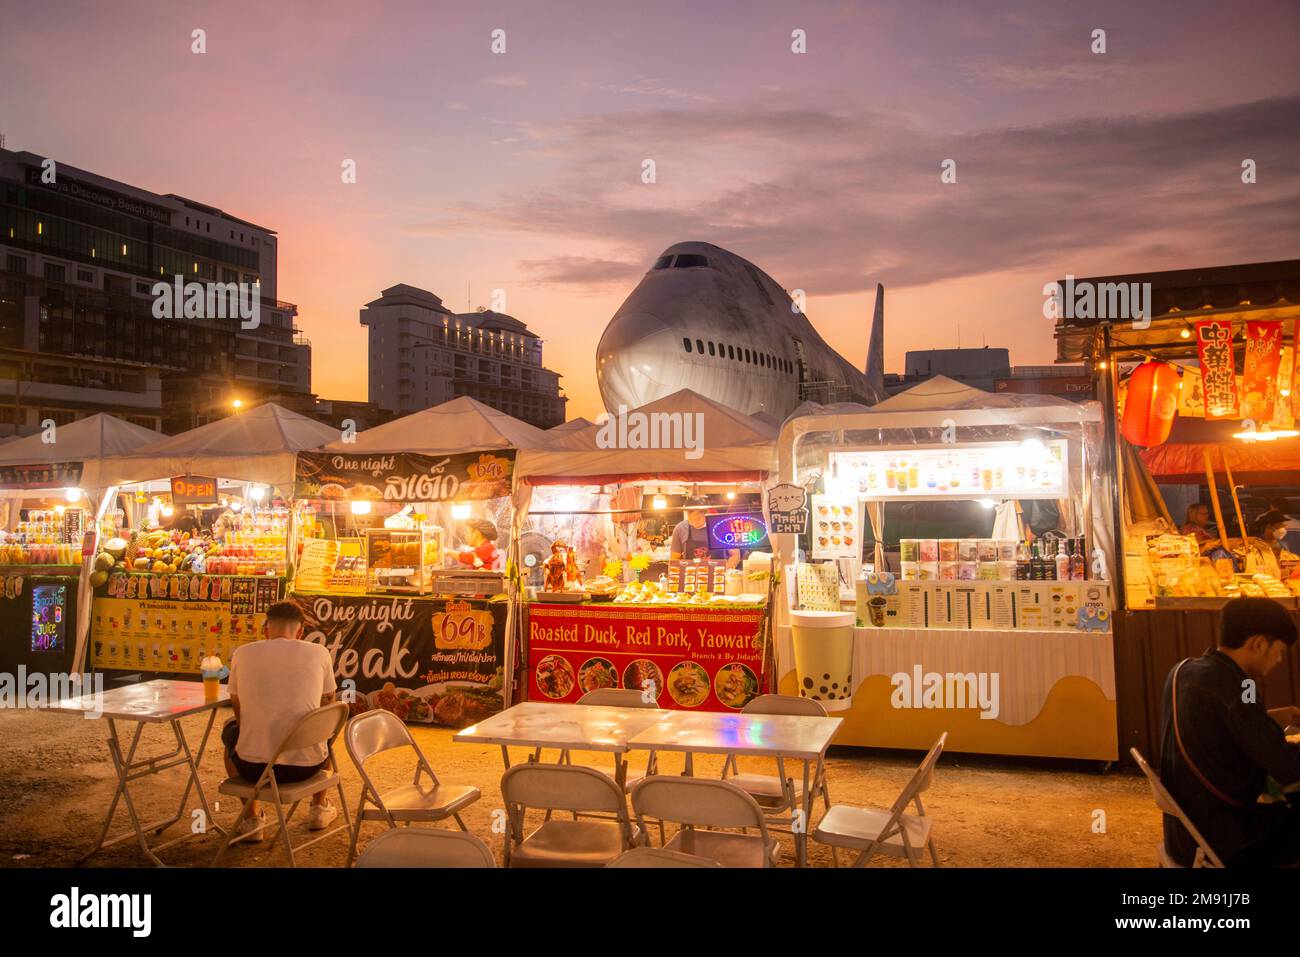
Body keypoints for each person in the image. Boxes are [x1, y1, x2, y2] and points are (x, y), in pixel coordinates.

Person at [1159, 596, 1300, 866]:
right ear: (1258, 644)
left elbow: (1219, 722)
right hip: (1229, 839)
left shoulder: (1186, 670)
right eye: (1280, 650)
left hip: (1185, 833)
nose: (1280, 660)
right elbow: (1286, 766)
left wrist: (1268, 717)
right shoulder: (1240, 687)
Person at [222, 602, 338, 841]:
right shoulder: (319, 653)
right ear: (301, 632)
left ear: (265, 630)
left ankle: (252, 818)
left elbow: (239, 711)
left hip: (252, 768)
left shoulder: (242, 653)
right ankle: (319, 807)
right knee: (325, 729)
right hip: (308, 767)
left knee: (229, 731)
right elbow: (329, 703)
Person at [669, 497, 739, 569]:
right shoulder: (680, 529)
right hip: (691, 576)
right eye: (690, 519)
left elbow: (735, 555)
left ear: (707, 513)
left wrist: (724, 571)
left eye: (698, 519)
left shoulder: (722, 526)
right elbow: (674, 559)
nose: (694, 522)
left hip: (718, 576)